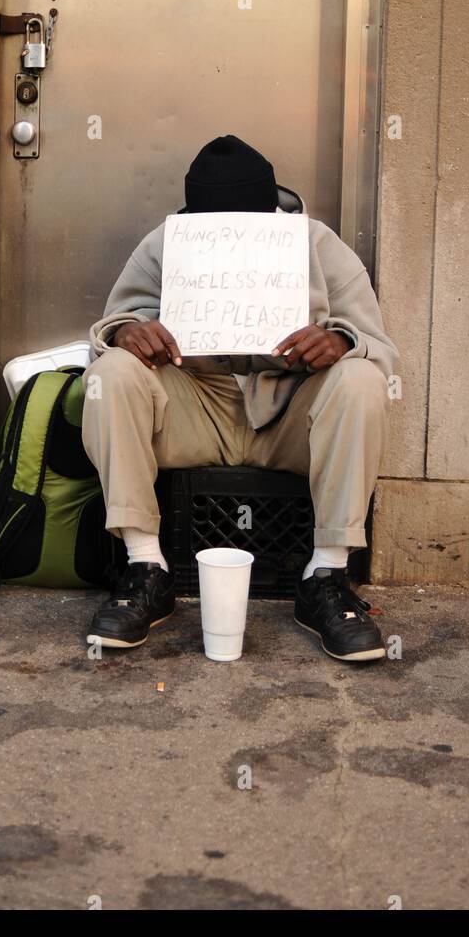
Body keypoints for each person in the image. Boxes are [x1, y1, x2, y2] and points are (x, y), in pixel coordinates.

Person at [81, 135, 399, 662]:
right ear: (191, 219)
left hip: (289, 415)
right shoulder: (165, 243)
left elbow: (383, 352)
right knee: (112, 373)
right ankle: (145, 569)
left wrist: (342, 340)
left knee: (361, 378)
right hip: (193, 410)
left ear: (274, 213)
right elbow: (111, 329)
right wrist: (125, 334)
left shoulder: (319, 244)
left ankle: (326, 575)